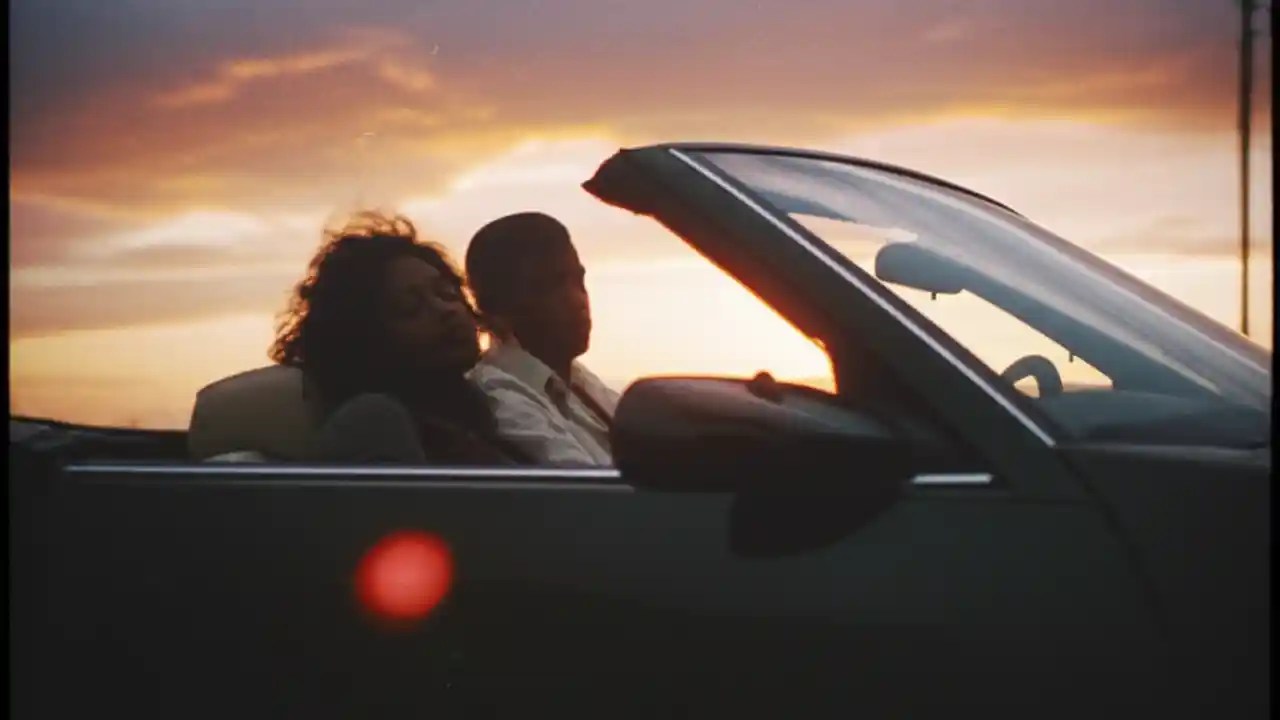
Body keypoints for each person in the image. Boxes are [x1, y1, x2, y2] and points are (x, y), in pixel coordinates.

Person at [269, 211, 526, 464]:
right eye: (410, 308)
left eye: (446, 293)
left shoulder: (479, 408)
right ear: (366, 339)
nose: (445, 311)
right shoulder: (374, 422)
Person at [465, 212, 620, 466]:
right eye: (551, 287)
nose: (578, 300)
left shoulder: (577, 380)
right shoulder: (499, 399)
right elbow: (589, 493)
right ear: (499, 309)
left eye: (578, 280)